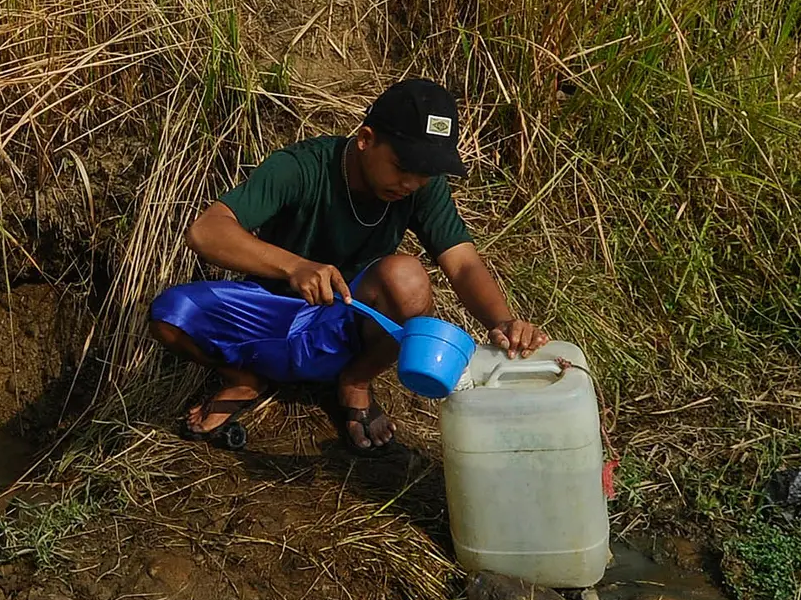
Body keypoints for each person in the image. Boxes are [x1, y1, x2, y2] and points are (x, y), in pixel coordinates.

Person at [147, 79, 547, 454]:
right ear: (365, 140)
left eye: (425, 174)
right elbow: (206, 231)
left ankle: (355, 381)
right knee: (171, 315)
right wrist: (294, 267)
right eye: (402, 167)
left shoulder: (422, 190)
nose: (411, 183)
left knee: (406, 278)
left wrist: (503, 320)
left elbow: (461, 263)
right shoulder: (302, 168)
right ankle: (243, 379)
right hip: (270, 309)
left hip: (347, 321)